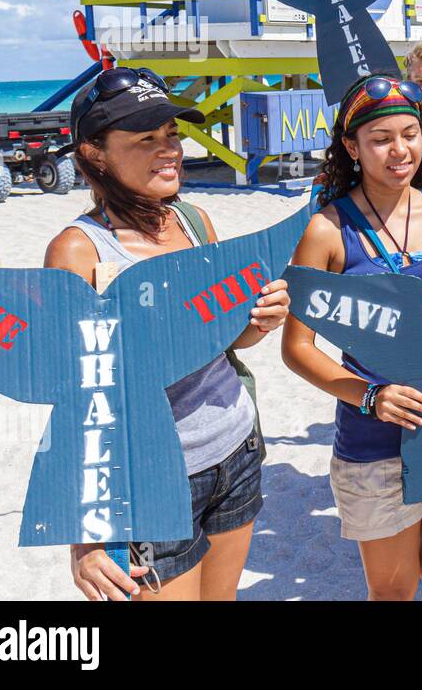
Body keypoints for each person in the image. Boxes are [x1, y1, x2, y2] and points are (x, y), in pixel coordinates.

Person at [53, 68, 290, 601]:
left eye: (171, 135)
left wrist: (259, 321)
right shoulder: (79, 252)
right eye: (145, 139)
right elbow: (75, 401)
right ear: (94, 154)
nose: (170, 151)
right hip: (151, 482)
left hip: (236, 449)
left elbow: (226, 345)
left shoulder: (193, 222)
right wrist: (84, 542)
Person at [281, 76, 422, 601]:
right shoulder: (327, 230)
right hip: (372, 443)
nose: (400, 151)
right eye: (380, 139)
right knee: (391, 589)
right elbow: (297, 348)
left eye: (411, 134)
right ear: (351, 148)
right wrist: (371, 395)